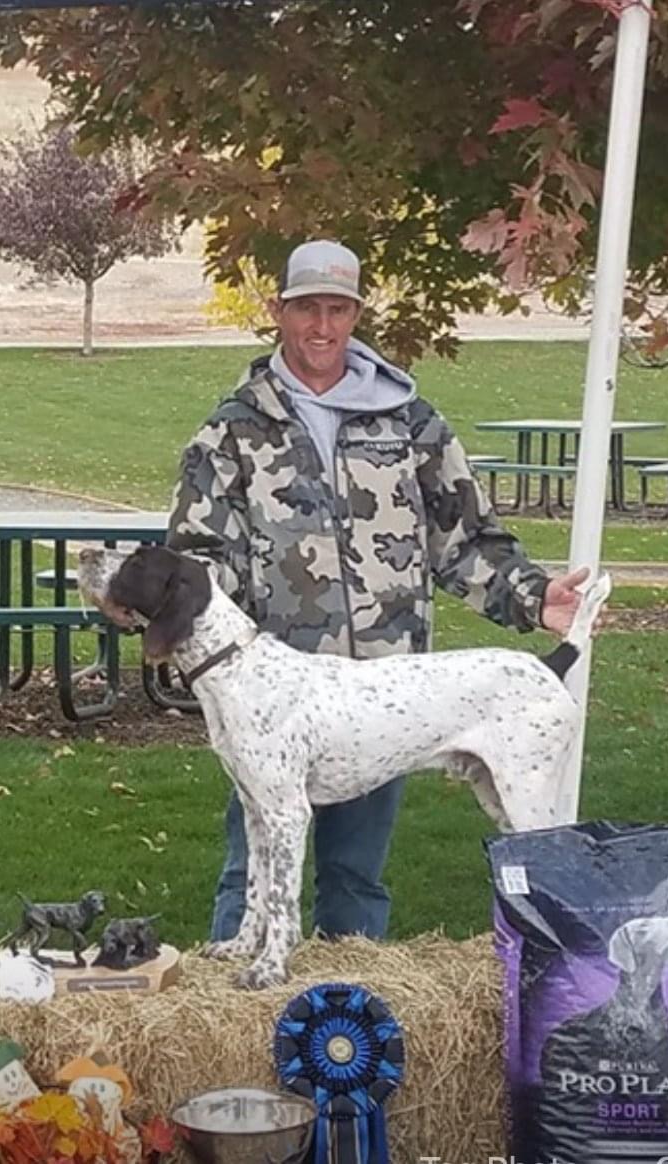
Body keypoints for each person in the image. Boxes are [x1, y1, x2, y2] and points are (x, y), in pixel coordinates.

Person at [166, 239, 589, 943]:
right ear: (278, 312)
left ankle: (351, 1013)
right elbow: (199, 565)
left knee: (356, 877)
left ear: (358, 314)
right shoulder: (231, 429)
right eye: (307, 310)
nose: (322, 328)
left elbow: (464, 538)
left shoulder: (410, 422)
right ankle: (242, 1002)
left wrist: (532, 597)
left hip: (385, 693)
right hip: (276, 694)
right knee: (254, 868)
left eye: (338, 310)